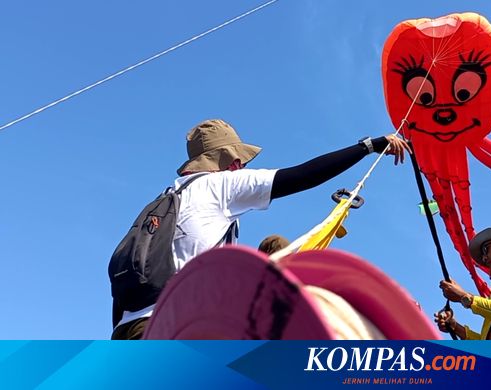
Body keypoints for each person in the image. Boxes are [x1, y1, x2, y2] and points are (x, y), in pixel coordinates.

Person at [111, 118, 410, 339]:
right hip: (174, 328)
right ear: (231, 161)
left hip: (128, 331)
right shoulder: (220, 185)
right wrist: (369, 146)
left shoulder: (166, 197)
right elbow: (302, 176)